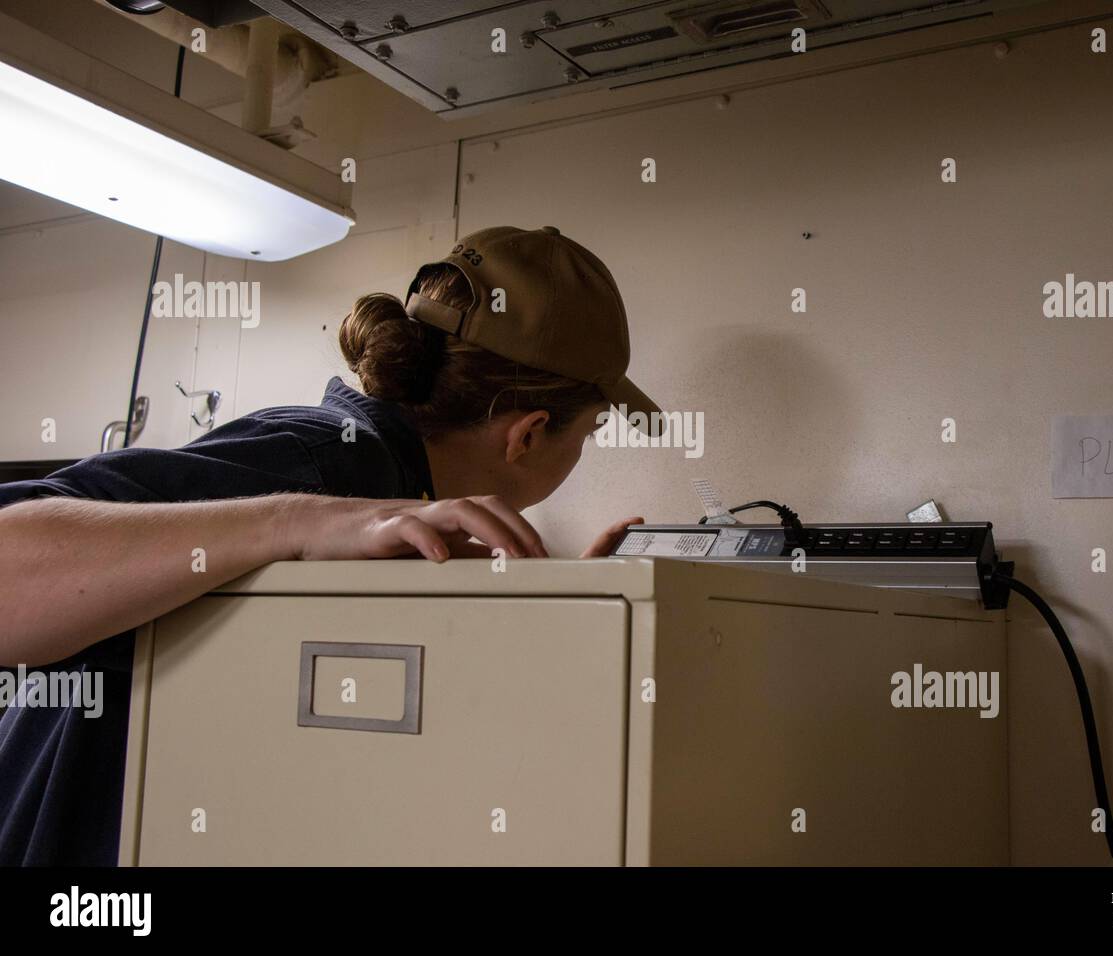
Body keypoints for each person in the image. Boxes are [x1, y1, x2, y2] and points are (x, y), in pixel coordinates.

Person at [0, 225, 656, 865]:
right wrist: (302, 521)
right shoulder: (328, 465)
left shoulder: (399, 501)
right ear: (531, 434)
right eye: (590, 432)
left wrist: (555, 642)